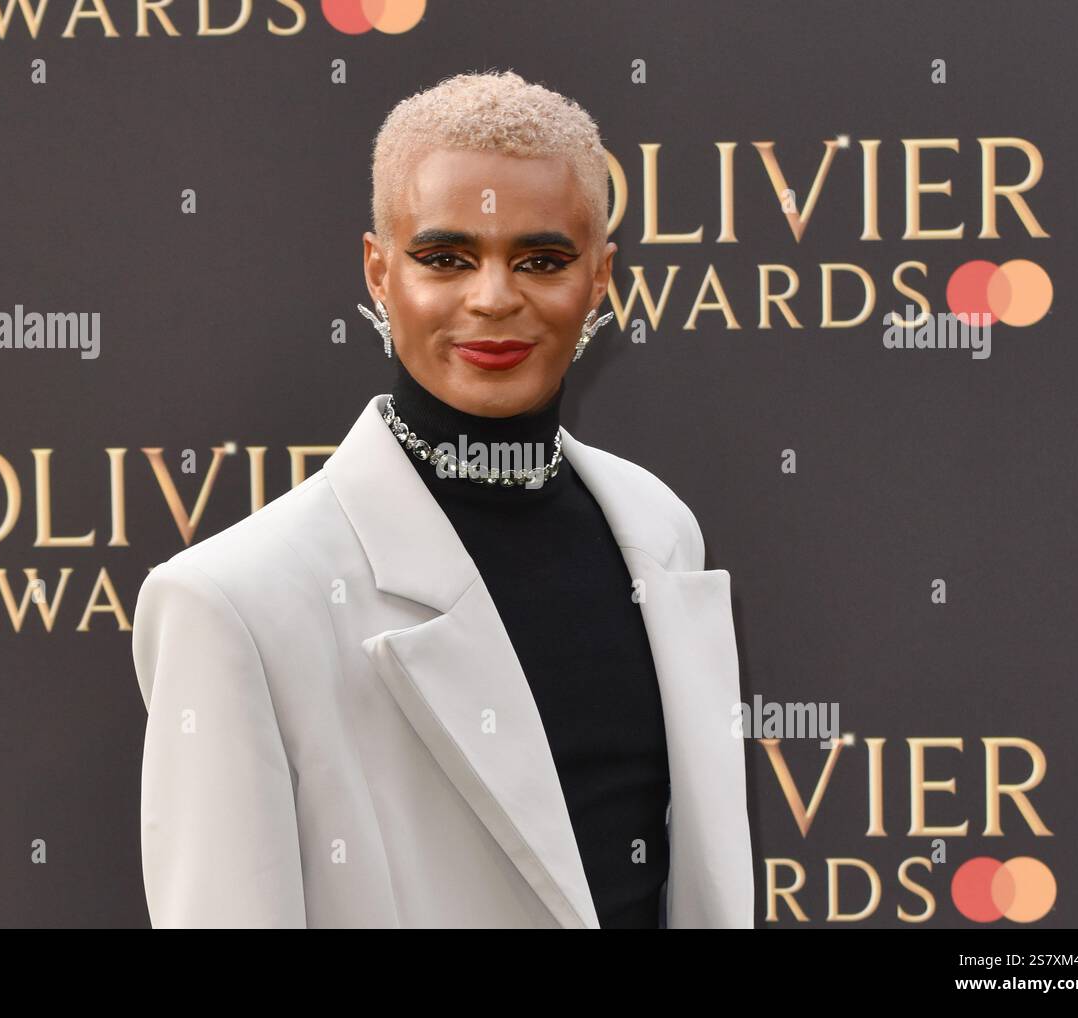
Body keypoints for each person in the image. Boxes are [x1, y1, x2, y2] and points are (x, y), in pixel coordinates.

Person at [132, 69, 753, 928]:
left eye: (541, 259)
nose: (493, 299)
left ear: (601, 279)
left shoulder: (658, 530)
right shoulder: (235, 602)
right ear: (379, 273)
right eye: (445, 258)